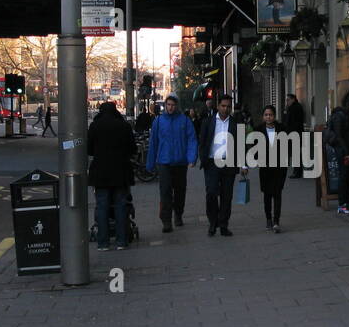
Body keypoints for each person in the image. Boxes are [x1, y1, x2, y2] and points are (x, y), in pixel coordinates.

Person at [87, 101, 135, 251]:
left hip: (101, 173)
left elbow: (89, 150)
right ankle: (122, 241)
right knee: (121, 206)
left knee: (102, 207)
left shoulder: (95, 126)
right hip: (120, 171)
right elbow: (132, 149)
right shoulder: (124, 126)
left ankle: (103, 242)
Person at [146, 95, 197, 233]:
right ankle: (166, 221)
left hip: (180, 162)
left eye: (173, 105)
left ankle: (178, 214)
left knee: (180, 191)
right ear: (165, 105)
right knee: (165, 192)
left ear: (176, 106)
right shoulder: (158, 121)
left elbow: (192, 139)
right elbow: (153, 143)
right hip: (164, 162)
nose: (170, 107)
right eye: (168, 105)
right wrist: (150, 163)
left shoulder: (184, 121)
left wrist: (191, 157)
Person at [198, 93, 247, 236]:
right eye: (223, 106)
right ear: (218, 106)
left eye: (228, 107)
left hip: (229, 163)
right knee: (211, 193)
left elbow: (241, 144)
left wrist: (244, 165)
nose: (226, 109)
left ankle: (224, 224)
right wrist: (203, 159)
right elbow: (202, 142)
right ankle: (213, 222)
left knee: (227, 196)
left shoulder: (236, 123)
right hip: (212, 163)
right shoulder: (208, 122)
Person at [325, 91, 349, 214]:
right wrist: (346, 152)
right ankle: (342, 203)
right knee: (344, 176)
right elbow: (339, 135)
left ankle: (346, 202)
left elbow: (347, 133)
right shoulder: (339, 116)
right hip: (344, 150)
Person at [254, 105, 288, 232]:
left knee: (278, 193)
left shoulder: (282, 129)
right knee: (267, 194)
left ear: (275, 116)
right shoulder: (258, 130)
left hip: (279, 167)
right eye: (266, 115)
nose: (268, 117)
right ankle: (268, 218)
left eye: (271, 115)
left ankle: (276, 221)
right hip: (265, 167)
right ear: (263, 117)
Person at [283, 93, 306, 178]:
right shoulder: (293, 107)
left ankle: (297, 172)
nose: (287, 101)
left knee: (296, 153)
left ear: (293, 99)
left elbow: (293, 122)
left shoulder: (295, 108)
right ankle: (297, 171)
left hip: (295, 133)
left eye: (288, 100)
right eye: (286, 100)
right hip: (295, 132)